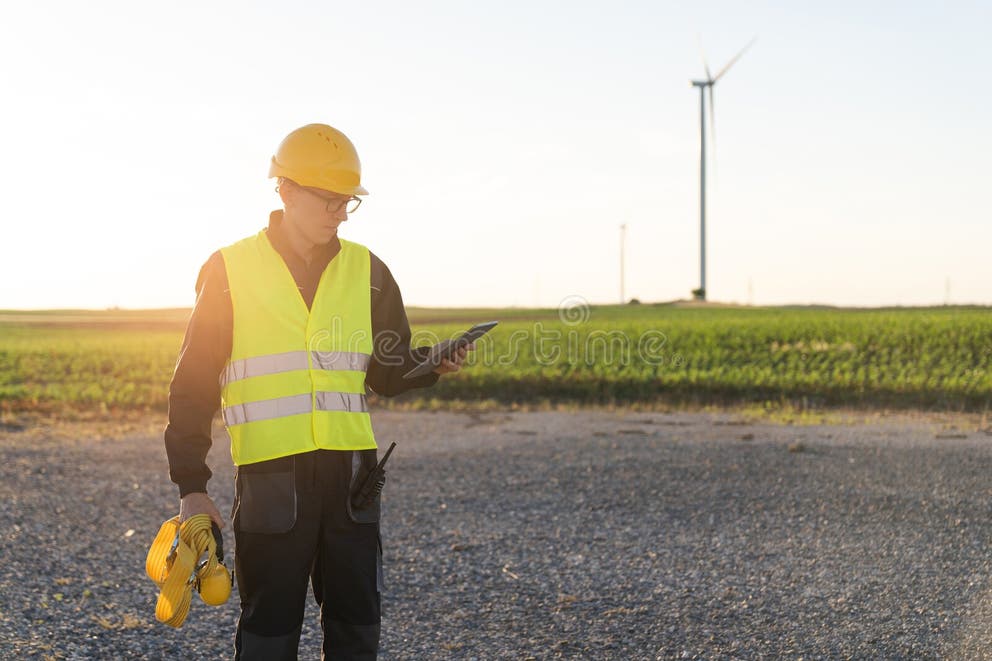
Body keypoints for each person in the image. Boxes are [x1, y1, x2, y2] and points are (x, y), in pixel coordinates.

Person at [164, 123, 471, 660]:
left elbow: (388, 372)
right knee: (268, 632)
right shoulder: (230, 271)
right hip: (271, 481)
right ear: (285, 190)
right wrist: (192, 484)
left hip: (353, 480)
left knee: (357, 627)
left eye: (348, 202)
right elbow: (192, 384)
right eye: (329, 199)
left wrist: (432, 365)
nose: (339, 211)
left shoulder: (369, 272)